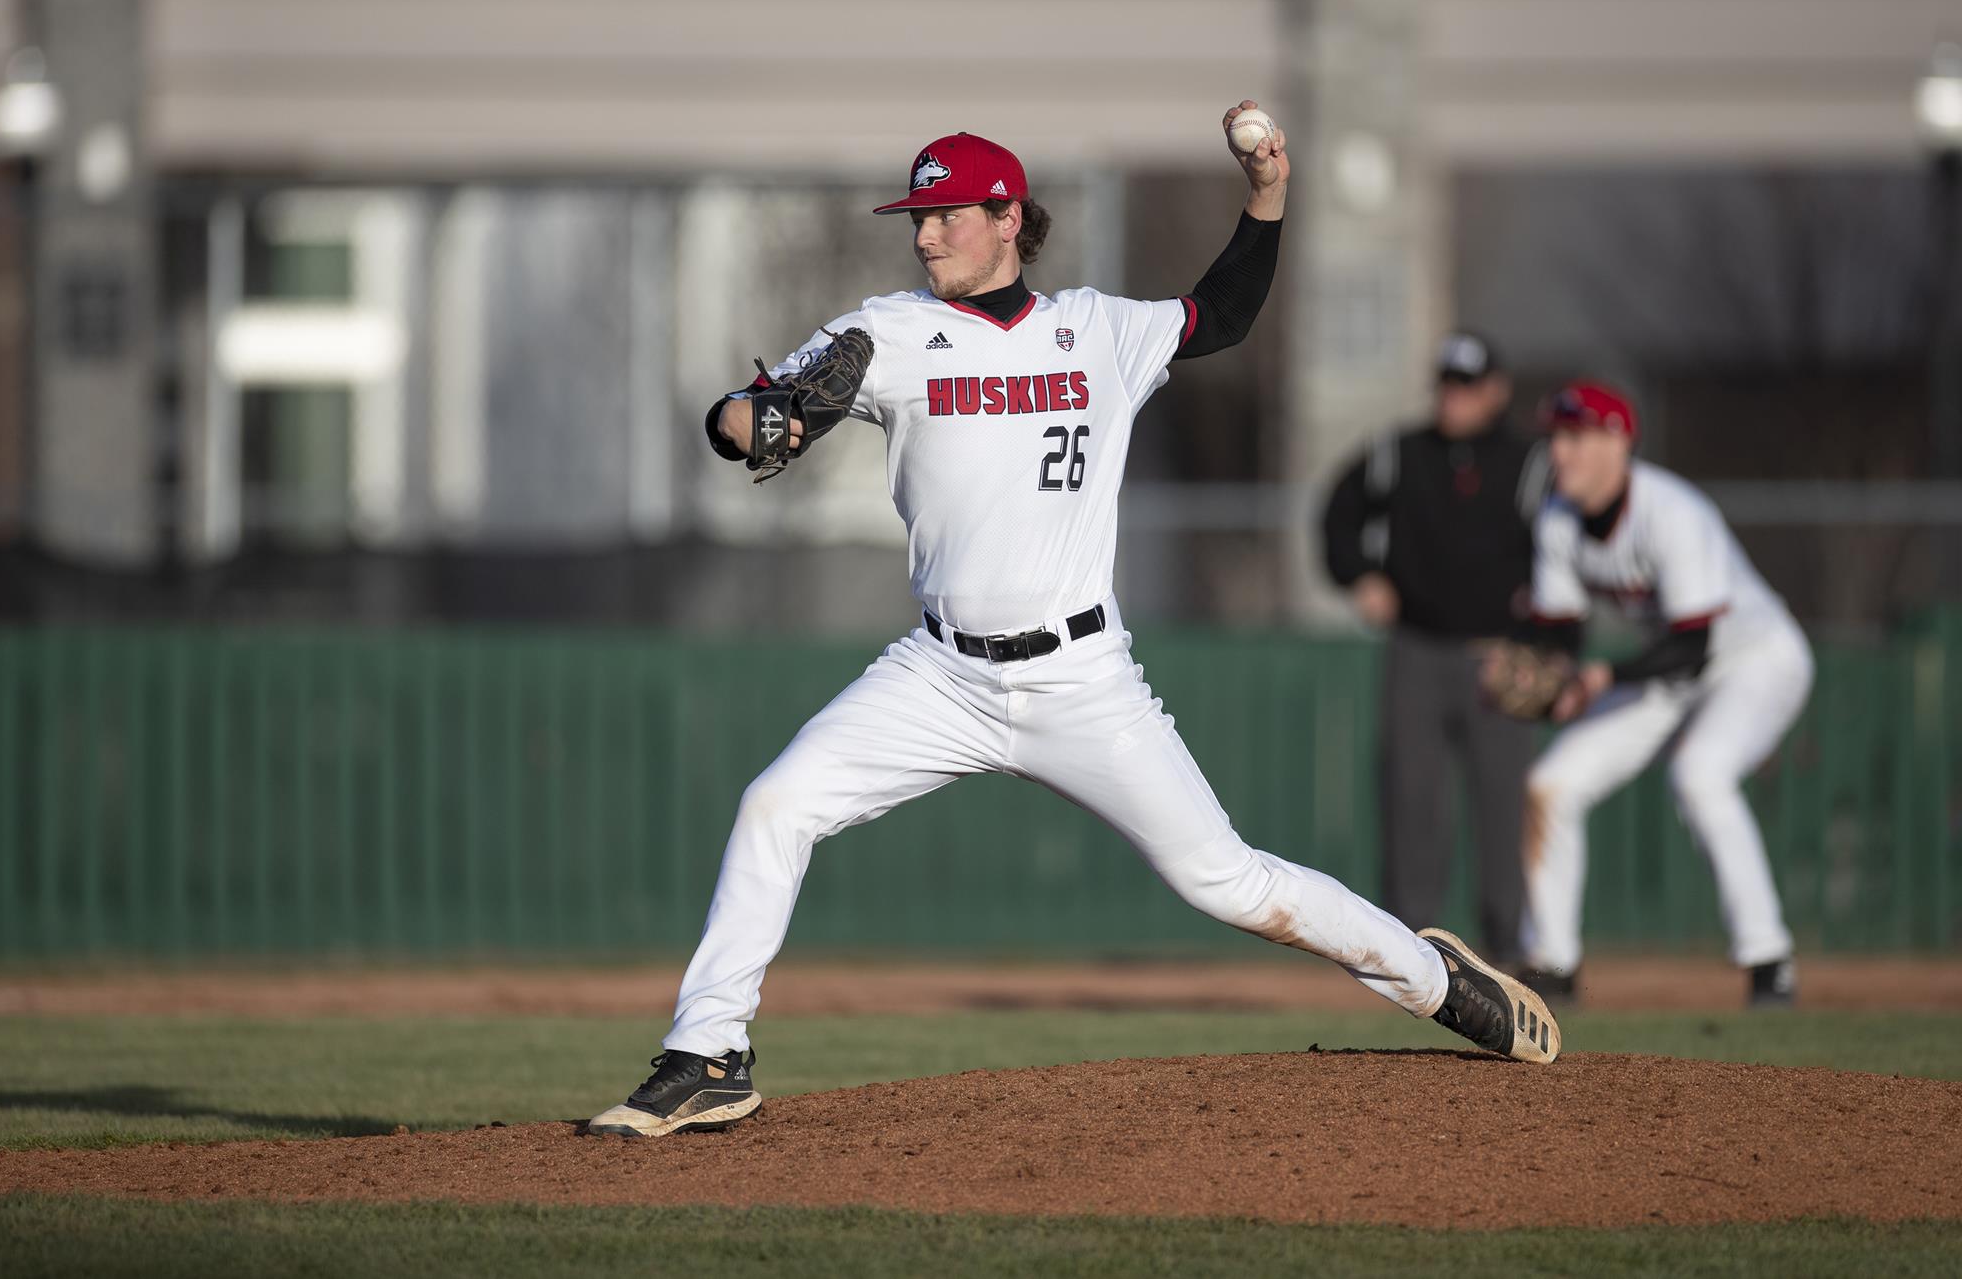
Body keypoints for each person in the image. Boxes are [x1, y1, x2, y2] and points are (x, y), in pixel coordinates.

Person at [585, 104, 1561, 1141]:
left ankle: (1432, 978)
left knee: (1223, 881)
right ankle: (709, 1053)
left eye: (945, 214)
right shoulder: (884, 333)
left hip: (1081, 676)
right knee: (776, 804)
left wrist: (1266, 197)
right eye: (915, 217)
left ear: (1007, 215)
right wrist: (748, 419)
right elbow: (750, 416)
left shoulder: (1097, 328)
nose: (923, 235)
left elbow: (1218, 316)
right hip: (938, 676)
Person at [1508, 382, 1809, 1007]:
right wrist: (1553, 678)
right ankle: (1552, 964)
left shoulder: (1672, 512)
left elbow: (1694, 643)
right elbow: (1563, 628)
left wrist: (1600, 679)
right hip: (1663, 678)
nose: (1560, 452)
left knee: (1700, 774)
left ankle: (1768, 960)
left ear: (1618, 440)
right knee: (1552, 784)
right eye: (1556, 437)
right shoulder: (1559, 519)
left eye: (1576, 436)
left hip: (1755, 660)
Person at [1320, 331, 1551, 963]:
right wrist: (1358, 574)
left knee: (1505, 802)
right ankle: (1408, 950)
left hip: (1499, 655)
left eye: (1468, 386)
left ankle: (1511, 947)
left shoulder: (1529, 463)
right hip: (1417, 649)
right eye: (1448, 384)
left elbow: (1562, 550)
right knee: (1412, 798)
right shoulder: (1401, 452)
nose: (1455, 398)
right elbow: (1338, 513)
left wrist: (1538, 630)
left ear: (1496, 391)